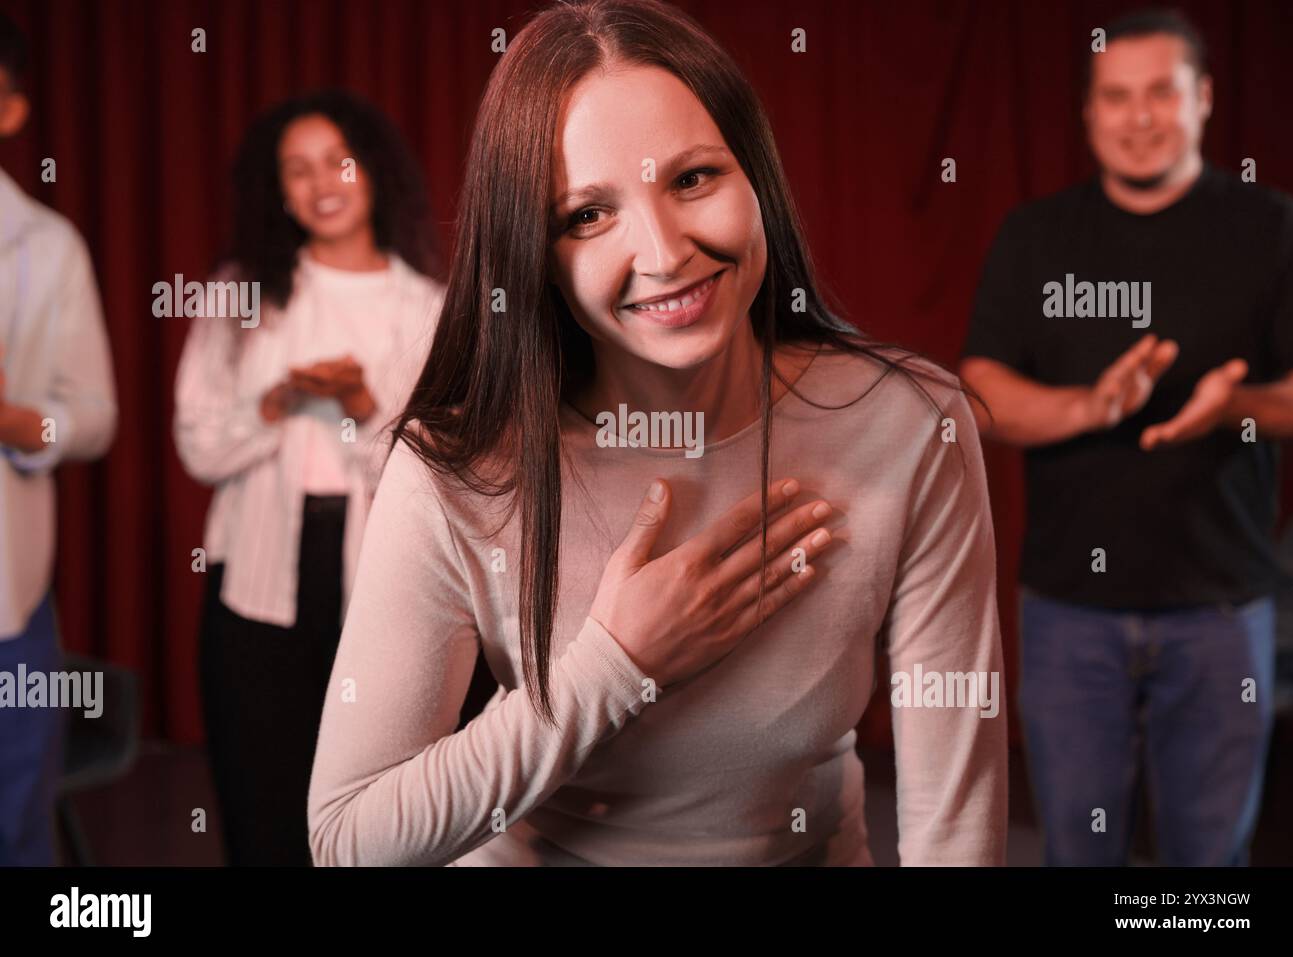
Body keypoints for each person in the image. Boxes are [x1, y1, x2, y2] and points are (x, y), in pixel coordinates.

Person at [309, 0, 1006, 867]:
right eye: (588, 215)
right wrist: (613, 665)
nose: (666, 252)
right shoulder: (457, 469)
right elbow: (346, 839)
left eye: (692, 179)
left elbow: (956, 825)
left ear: (757, 176)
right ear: (535, 249)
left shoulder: (912, 425)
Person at [959, 8, 1293, 865]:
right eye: (1117, 96)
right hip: (1070, 609)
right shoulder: (1034, 236)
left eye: (1161, 93)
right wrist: (1093, 406)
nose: (1139, 117)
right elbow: (983, 395)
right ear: (1088, 111)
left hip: (1221, 607)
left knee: (1209, 862)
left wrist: (1237, 404)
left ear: (1205, 98)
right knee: (1078, 847)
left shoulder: (1275, 228)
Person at [173, 90, 445, 866]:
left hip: (380, 589)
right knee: (260, 798)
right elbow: (198, 446)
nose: (321, 182)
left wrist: (360, 404)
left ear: (374, 171)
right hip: (254, 584)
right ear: (278, 190)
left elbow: (435, 476)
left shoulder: (427, 308)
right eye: (297, 170)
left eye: (337, 161)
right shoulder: (242, 295)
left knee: (371, 805)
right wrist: (275, 403)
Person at [0, 11, 118, 866]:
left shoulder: (46, 246)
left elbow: (94, 417)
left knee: (16, 830)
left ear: (10, 113)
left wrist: (12, 419)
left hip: (9, 600)